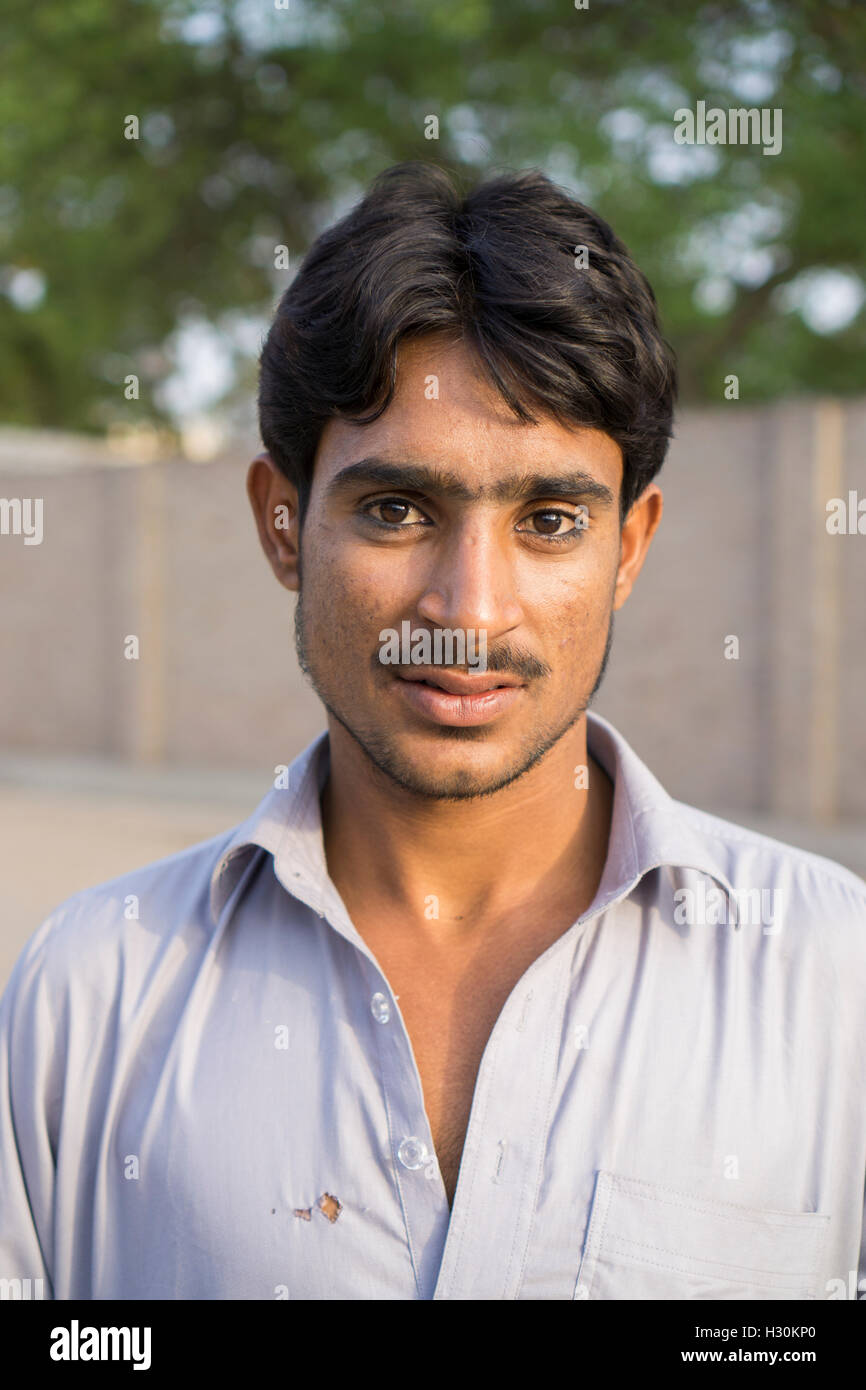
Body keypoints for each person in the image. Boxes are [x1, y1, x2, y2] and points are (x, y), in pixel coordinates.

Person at [1, 163, 864, 1301]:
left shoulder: (833, 980)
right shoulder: (87, 993)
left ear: (630, 547)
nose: (467, 609)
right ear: (281, 524)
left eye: (549, 520)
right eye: (397, 509)